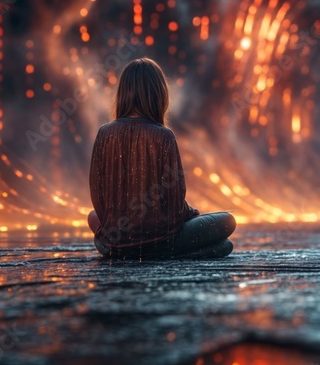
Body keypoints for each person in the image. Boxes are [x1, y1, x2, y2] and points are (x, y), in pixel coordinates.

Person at [87, 58, 236, 259]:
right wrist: (192, 214)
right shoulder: (164, 135)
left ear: (122, 93)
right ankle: (164, 253)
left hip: (117, 238)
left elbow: (98, 197)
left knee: (93, 217)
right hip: (162, 238)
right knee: (227, 226)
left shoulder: (104, 133)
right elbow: (175, 202)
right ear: (159, 94)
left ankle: (120, 248)